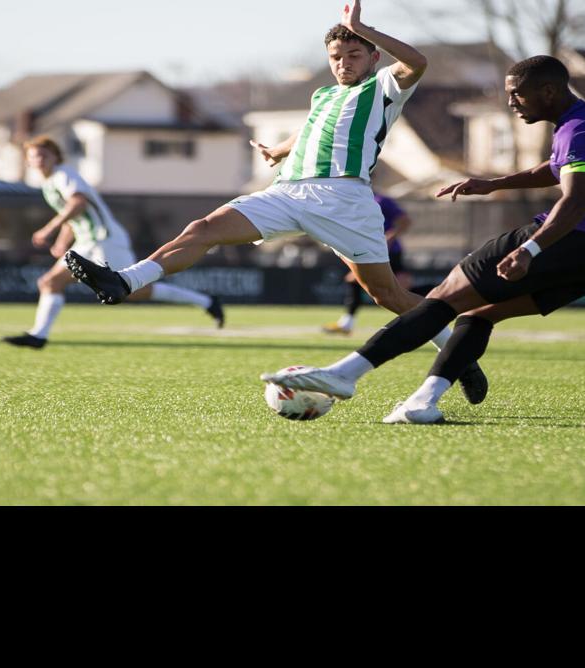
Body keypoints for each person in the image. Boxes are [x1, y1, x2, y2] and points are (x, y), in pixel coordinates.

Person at [64, 1, 486, 400]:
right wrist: (279, 151)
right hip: (287, 191)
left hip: (344, 199)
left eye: (354, 53)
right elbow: (313, 129)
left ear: (373, 58)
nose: (344, 62)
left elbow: (418, 62)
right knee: (202, 229)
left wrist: (363, 28)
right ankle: (124, 281)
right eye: (337, 55)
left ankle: (456, 353)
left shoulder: (384, 87)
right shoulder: (322, 95)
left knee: (387, 296)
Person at [263, 54, 585, 424]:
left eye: (518, 94)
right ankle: (422, 402)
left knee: (443, 298)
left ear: (548, 91)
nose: (511, 102)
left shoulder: (577, 129)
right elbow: (559, 168)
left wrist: (530, 249)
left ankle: (344, 374)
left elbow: (577, 200)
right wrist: (494, 184)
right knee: (480, 313)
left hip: (574, 237)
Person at [1, 136, 222, 349]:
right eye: (34, 156)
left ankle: (205, 301)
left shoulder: (63, 175)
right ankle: (38, 336)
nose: (39, 159)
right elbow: (74, 216)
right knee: (50, 283)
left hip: (104, 240)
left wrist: (50, 228)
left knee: (132, 289)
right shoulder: (50, 183)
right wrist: (61, 242)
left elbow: (77, 202)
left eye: (44, 155)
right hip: (87, 241)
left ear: (56, 157)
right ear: (28, 161)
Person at [326, 192, 411, 335]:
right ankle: (346, 323)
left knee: (396, 290)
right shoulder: (350, 198)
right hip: (368, 248)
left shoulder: (381, 200)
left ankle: (439, 305)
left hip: (387, 250)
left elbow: (405, 221)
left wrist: (389, 237)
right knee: (398, 289)